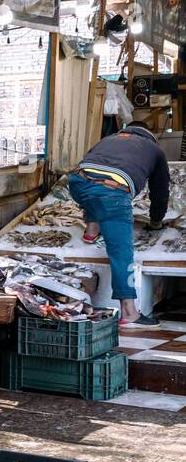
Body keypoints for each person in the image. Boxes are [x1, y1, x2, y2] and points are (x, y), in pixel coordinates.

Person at [68, 121, 170, 329]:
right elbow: (160, 194)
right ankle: (129, 313)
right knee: (121, 251)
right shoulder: (155, 151)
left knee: (95, 191)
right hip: (112, 193)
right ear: (151, 137)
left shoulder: (108, 139)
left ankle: (91, 230)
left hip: (77, 182)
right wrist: (156, 221)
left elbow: (91, 165)